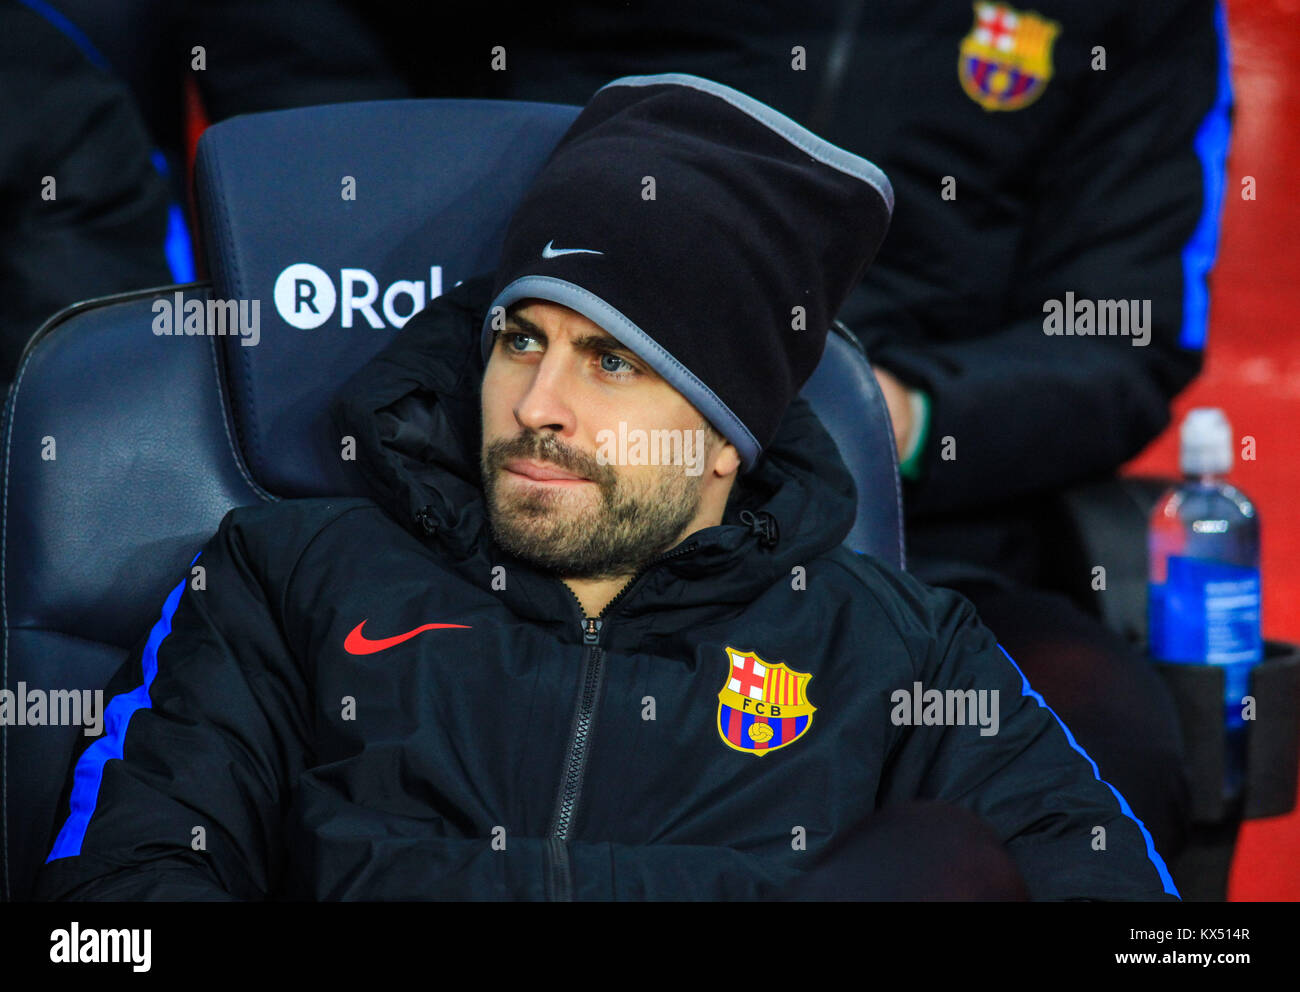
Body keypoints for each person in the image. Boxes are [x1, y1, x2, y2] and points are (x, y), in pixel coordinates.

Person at [35, 75, 1175, 901]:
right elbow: (120, 898)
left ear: (729, 434)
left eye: (614, 362)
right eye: (519, 341)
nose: (537, 404)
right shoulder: (286, 579)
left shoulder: (895, 648)